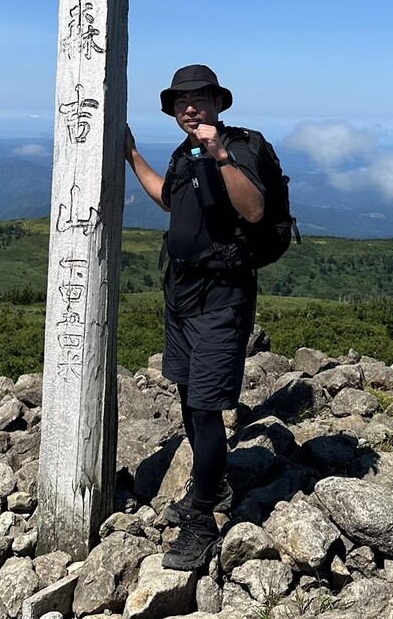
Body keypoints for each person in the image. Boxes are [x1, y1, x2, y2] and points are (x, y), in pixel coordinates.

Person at [125, 64, 265, 571]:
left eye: (200, 98)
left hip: (221, 302)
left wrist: (220, 154)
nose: (190, 107)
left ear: (218, 104)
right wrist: (132, 156)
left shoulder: (239, 148)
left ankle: (202, 521)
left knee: (205, 411)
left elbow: (253, 210)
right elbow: (169, 201)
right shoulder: (183, 155)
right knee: (188, 397)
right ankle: (217, 484)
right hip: (181, 299)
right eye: (181, 100)